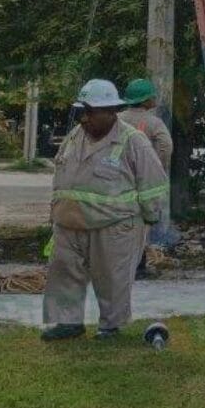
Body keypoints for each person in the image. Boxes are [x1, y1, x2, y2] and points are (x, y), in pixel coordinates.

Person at [41, 79, 168, 341]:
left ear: (111, 111)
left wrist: (149, 217)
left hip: (114, 225)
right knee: (63, 273)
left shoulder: (133, 141)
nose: (84, 118)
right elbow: (61, 174)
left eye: (90, 112)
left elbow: (153, 184)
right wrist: (55, 212)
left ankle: (110, 326)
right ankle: (68, 322)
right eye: (82, 112)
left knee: (113, 278)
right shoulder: (74, 137)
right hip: (69, 222)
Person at [122, 77, 176, 275]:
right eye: (152, 95)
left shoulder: (116, 119)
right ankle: (138, 266)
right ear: (145, 100)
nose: (155, 98)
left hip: (119, 179)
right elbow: (166, 146)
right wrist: (157, 166)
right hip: (143, 182)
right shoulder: (153, 122)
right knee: (141, 225)